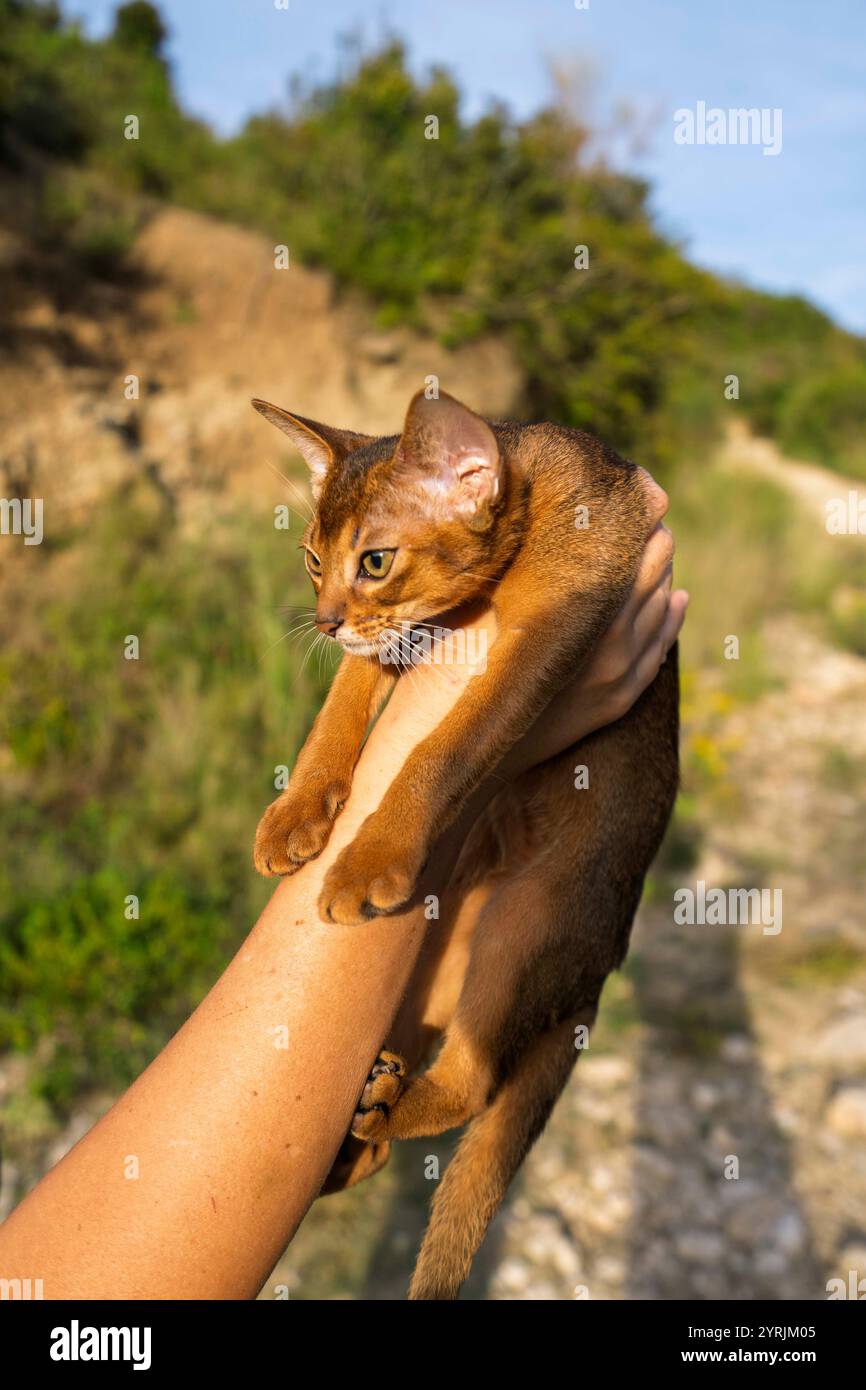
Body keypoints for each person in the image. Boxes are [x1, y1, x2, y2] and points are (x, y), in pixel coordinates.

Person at [0, 502, 686, 1299]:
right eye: (315, 569)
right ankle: (369, 1076)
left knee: (528, 919)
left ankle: (446, 1082)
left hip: (577, 839)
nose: (322, 610)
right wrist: (330, 774)